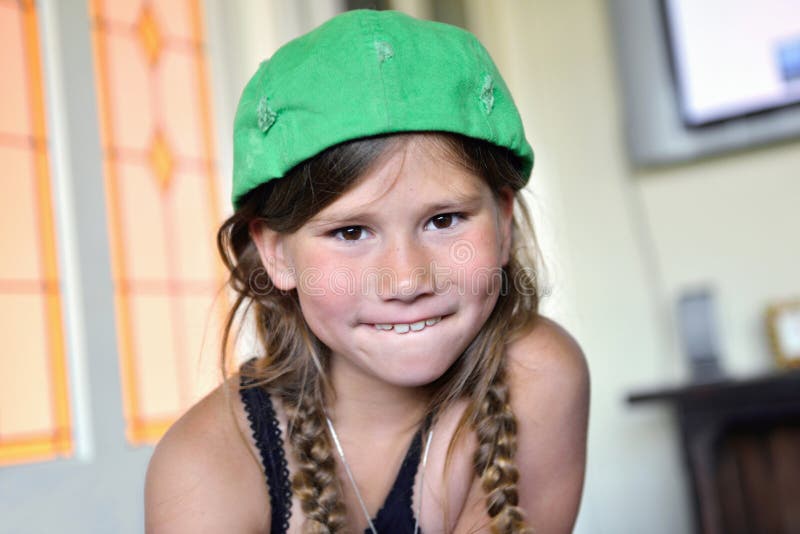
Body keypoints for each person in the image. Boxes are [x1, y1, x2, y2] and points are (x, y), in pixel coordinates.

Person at [145, 9, 589, 534]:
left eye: (444, 220)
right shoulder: (204, 468)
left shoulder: (537, 375)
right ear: (276, 254)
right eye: (351, 233)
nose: (406, 281)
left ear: (504, 219)